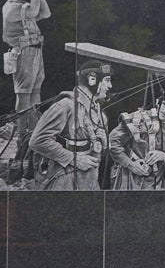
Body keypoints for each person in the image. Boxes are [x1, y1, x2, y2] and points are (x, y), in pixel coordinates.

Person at [29, 62, 110, 190]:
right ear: (92, 80)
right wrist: (75, 159)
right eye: (107, 81)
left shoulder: (97, 110)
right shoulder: (65, 105)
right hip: (64, 178)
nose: (110, 86)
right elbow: (38, 141)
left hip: (90, 179)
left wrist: (104, 142)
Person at [0, 0, 50, 167]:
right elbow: (34, 11)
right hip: (23, 53)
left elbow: (45, 13)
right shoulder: (11, 7)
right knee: (24, 97)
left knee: (35, 95)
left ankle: (34, 140)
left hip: (36, 52)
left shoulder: (24, 6)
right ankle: (22, 142)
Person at [107, 108, 165, 191]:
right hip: (128, 180)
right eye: (164, 104)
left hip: (155, 184)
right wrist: (130, 164)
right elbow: (112, 142)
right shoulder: (138, 117)